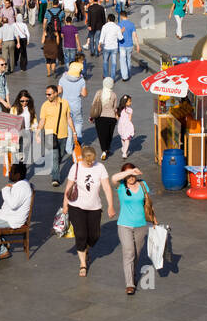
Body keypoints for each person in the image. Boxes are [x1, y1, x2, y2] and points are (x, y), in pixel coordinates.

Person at [62, 146, 115, 276]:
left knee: (94, 236)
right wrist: (65, 205)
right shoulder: (76, 167)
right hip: (76, 206)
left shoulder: (100, 168)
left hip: (95, 207)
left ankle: (85, 249)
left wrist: (110, 205)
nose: (90, 164)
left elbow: (107, 187)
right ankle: (83, 264)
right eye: (88, 161)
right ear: (83, 158)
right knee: (81, 235)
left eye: (92, 161)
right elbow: (68, 188)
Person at [111, 163, 151, 295]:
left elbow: (148, 203)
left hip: (141, 225)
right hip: (124, 225)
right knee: (129, 252)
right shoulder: (121, 187)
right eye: (128, 175)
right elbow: (113, 178)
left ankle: (132, 273)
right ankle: (129, 284)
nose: (131, 177)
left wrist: (154, 220)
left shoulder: (143, 185)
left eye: (133, 175)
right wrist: (129, 172)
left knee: (137, 253)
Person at [0, 163, 33, 260]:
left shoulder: (22, 187)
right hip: (10, 215)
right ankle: (3, 243)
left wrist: (6, 190)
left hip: (13, 219)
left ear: (18, 175)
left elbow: (13, 204)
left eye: (11, 172)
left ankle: (2, 251)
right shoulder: (20, 184)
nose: (9, 174)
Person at [39, 85, 70, 187]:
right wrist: (38, 132)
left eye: (49, 94)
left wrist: (74, 132)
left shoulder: (64, 103)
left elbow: (68, 118)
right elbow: (42, 120)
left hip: (63, 133)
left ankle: (54, 168)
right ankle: (55, 178)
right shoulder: (45, 105)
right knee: (54, 157)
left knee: (60, 155)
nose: (47, 96)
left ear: (56, 93)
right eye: (46, 94)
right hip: (50, 134)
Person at [58, 60, 88, 152]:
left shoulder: (63, 78)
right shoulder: (82, 80)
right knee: (78, 123)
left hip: (65, 105)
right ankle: (77, 141)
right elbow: (84, 94)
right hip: (76, 105)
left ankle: (68, 148)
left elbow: (59, 91)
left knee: (68, 125)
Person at [90, 77, 119, 160]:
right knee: (109, 134)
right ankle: (107, 148)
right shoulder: (113, 94)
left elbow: (94, 105)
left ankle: (103, 150)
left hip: (100, 117)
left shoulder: (99, 93)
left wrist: (92, 116)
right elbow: (115, 108)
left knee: (101, 135)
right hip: (111, 118)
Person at [116, 94, 136, 159]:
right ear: (125, 102)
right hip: (124, 125)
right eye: (129, 101)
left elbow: (117, 118)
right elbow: (129, 119)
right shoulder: (128, 110)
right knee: (124, 138)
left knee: (125, 138)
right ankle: (124, 150)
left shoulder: (120, 109)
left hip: (123, 125)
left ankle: (124, 151)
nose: (131, 102)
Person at [117, 14, 136, 82]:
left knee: (122, 60)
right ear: (127, 16)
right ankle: (128, 72)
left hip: (122, 45)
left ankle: (125, 76)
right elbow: (134, 35)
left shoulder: (119, 24)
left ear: (121, 16)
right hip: (130, 45)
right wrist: (137, 44)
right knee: (128, 59)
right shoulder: (132, 24)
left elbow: (117, 35)